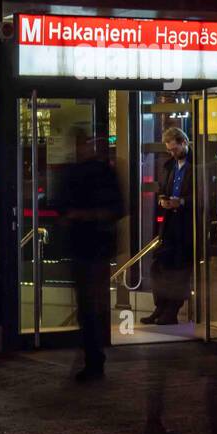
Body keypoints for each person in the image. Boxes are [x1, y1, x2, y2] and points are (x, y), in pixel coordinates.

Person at [62, 127, 125, 381]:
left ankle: (94, 358)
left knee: (88, 305)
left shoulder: (89, 173)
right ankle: (94, 356)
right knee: (90, 305)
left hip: (89, 248)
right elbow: (118, 208)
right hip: (94, 247)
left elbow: (116, 208)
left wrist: (81, 216)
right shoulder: (101, 172)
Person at [143, 126, 192, 326]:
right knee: (159, 265)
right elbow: (163, 188)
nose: (172, 153)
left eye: (175, 149)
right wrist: (163, 199)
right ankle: (161, 307)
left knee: (179, 269)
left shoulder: (195, 166)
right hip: (170, 221)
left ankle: (171, 310)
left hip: (187, 224)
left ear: (184, 143)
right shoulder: (169, 166)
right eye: (169, 150)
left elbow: (204, 195)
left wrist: (181, 202)